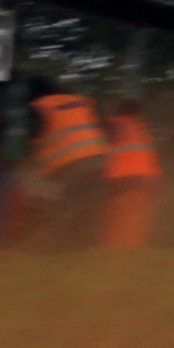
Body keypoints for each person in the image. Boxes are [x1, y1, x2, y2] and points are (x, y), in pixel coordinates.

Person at [19, 75, 114, 248]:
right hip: (98, 159)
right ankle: (85, 244)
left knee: (62, 205)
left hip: (67, 163)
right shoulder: (81, 101)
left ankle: (59, 245)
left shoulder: (38, 107)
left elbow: (31, 138)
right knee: (88, 204)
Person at [100, 101, 162, 248]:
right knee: (136, 220)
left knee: (118, 218)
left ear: (119, 112)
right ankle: (130, 251)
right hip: (148, 181)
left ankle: (117, 250)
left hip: (125, 180)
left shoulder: (119, 124)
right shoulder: (143, 131)